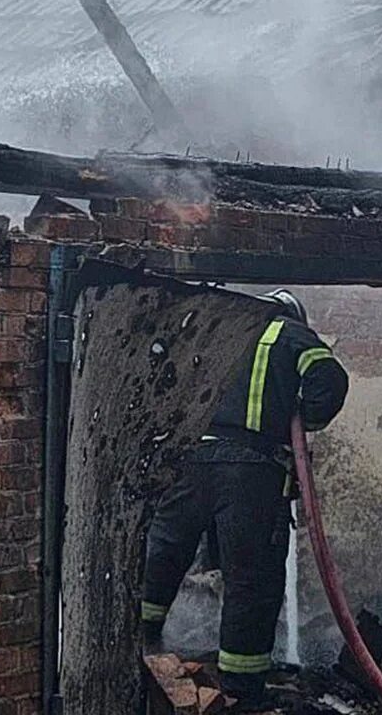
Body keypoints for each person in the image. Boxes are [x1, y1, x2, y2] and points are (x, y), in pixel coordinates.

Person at [140, 290, 348, 710]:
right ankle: (241, 691)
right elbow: (330, 378)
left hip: (191, 462)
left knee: (163, 551)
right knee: (251, 579)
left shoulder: (215, 328)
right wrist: (306, 417)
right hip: (253, 470)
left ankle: (138, 644)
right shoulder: (288, 333)